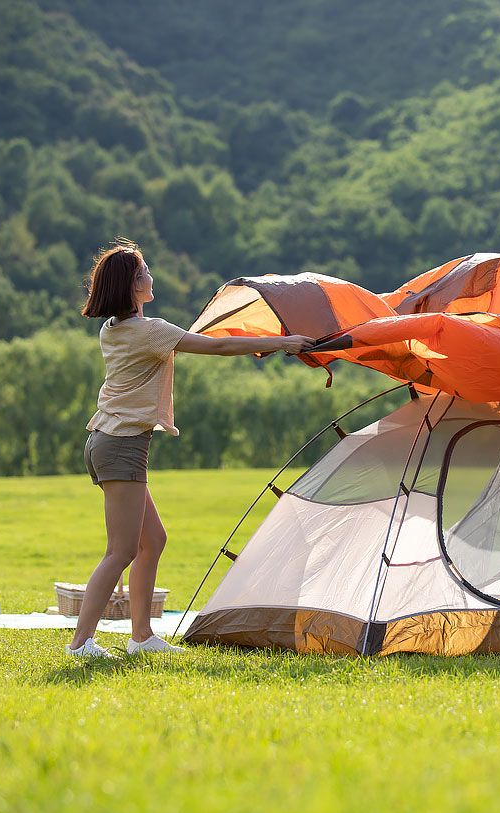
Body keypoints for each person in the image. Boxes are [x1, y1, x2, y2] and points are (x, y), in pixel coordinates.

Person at [68, 240, 315, 658]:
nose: (150, 276)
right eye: (143, 272)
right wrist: (283, 343)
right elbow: (214, 347)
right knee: (122, 550)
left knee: (153, 541)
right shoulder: (150, 331)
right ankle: (80, 644)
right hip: (121, 445)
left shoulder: (112, 329)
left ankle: (142, 637)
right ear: (131, 287)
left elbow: (201, 341)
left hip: (108, 441)